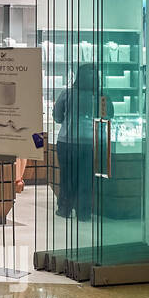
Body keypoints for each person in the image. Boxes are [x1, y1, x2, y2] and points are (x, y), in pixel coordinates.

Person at [52, 63, 97, 218]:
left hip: (67, 141)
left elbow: (57, 117)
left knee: (67, 177)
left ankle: (64, 209)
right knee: (86, 178)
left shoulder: (67, 94)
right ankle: (84, 212)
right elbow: (108, 115)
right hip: (90, 142)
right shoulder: (100, 95)